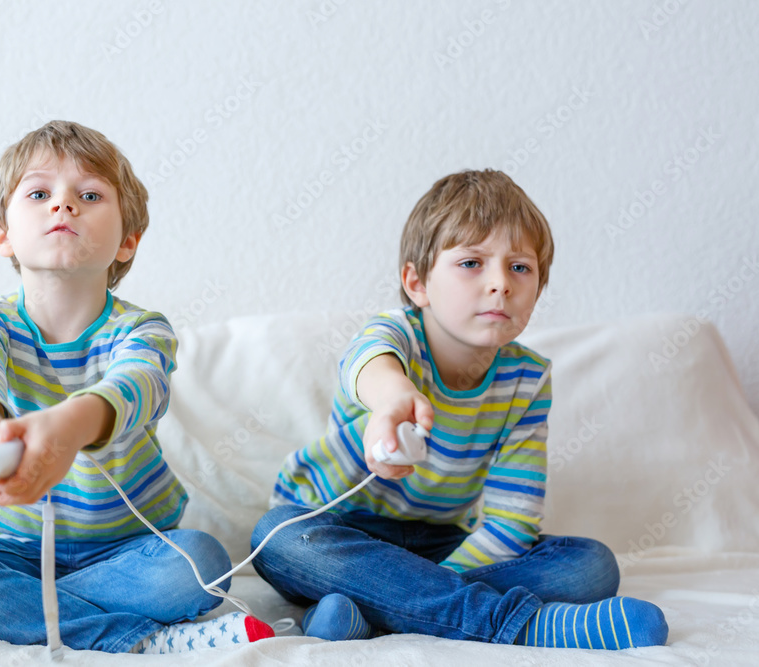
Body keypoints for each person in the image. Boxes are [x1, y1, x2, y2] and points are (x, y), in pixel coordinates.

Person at [0, 121, 273, 654]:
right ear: (2, 234)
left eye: (89, 195)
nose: (62, 206)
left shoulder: (143, 330)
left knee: (201, 562)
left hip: (130, 550)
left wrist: (66, 429)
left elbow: (137, 385)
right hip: (12, 549)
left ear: (127, 242)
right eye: (39, 194)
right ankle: (137, 639)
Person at [251, 169, 668, 649]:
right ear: (416, 283)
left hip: (441, 541)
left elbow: (513, 520)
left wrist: (429, 583)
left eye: (520, 267)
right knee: (277, 536)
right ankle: (521, 625)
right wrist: (391, 399)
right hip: (339, 528)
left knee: (591, 564)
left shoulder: (527, 380)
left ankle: (387, 610)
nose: (500, 284)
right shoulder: (397, 336)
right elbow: (366, 362)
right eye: (472, 263)